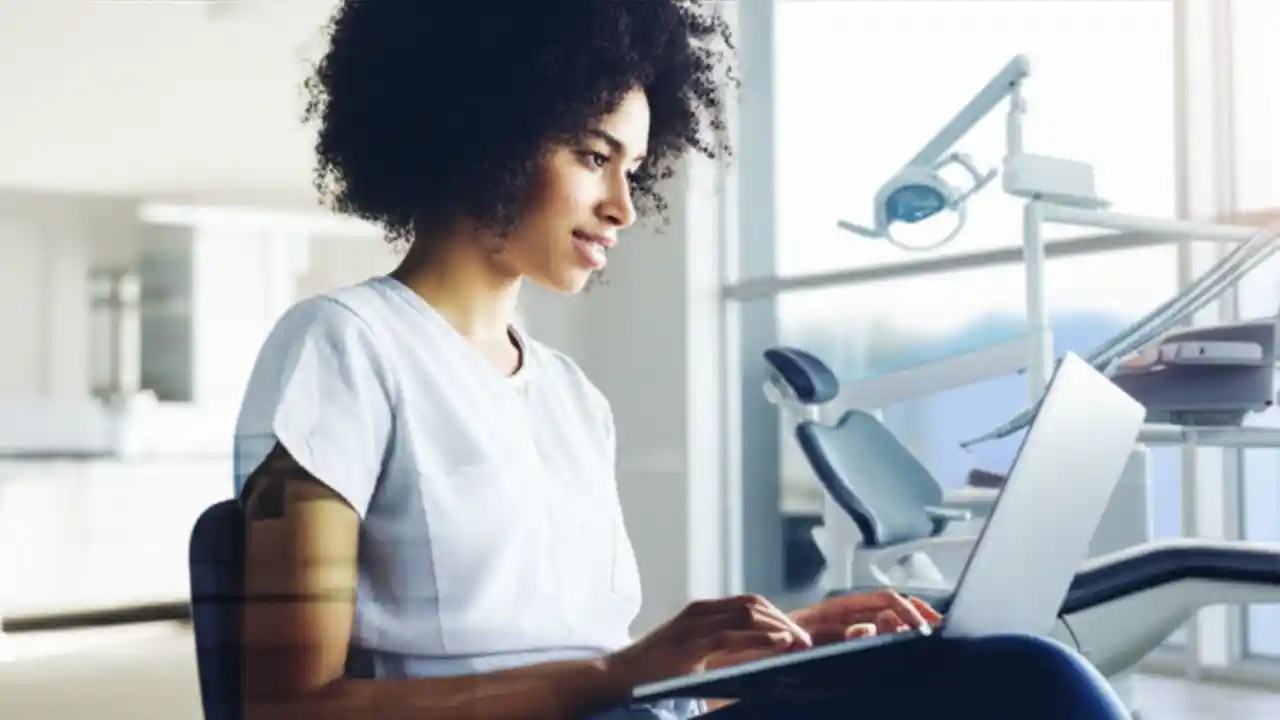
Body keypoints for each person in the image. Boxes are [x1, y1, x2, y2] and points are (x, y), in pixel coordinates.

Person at [232, 2, 1131, 719]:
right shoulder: (345, 347)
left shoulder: (571, 398)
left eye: (636, 167)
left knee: (993, 672)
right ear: (483, 137)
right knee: (1029, 691)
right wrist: (627, 672)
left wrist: (772, 648)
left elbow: (602, 677)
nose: (624, 205)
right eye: (593, 156)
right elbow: (284, 709)